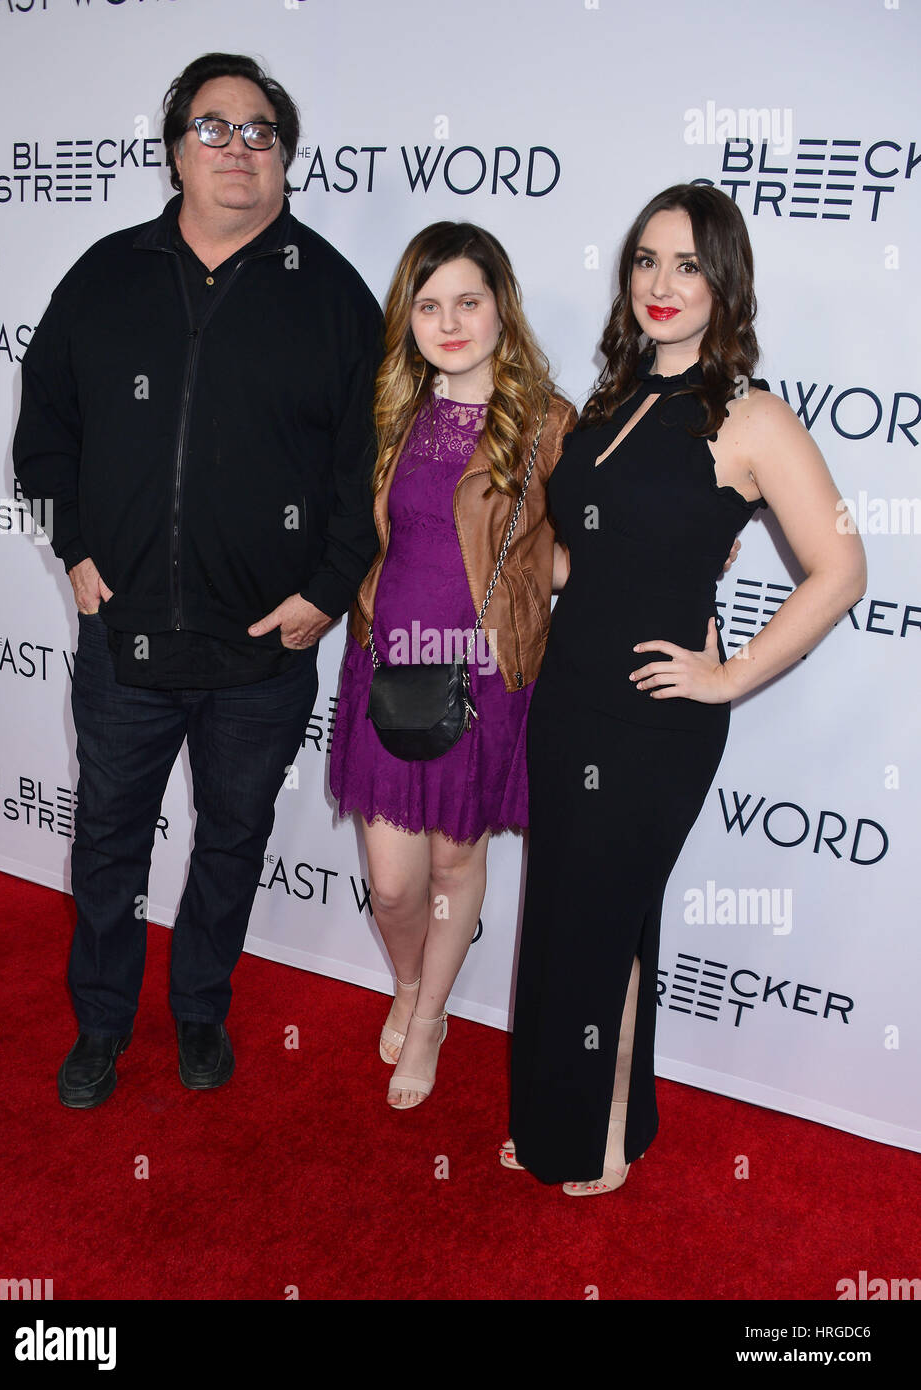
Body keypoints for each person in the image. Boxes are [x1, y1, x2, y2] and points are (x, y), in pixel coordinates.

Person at [13, 53, 384, 1109]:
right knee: (109, 847)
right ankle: (100, 1025)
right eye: (214, 128)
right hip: (125, 638)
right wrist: (75, 549)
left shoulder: (334, 297)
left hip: (264, 652)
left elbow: (370, 468)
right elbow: (46, 435)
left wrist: (327, 587)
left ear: (284, 157)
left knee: (232, 840)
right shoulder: (104, 276)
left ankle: (201, 1012)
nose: (237, 148)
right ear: (174, 149)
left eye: (259, 131)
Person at [503, 183, 867, 1194]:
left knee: (600, 918)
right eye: (645, 261)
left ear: (723, 284)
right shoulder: (614, 397)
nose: (661, 285)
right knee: (574, 914)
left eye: (687, 265)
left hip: (655, 714)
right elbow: (593, 560)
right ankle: (572, 1110)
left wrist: (729, 675)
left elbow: (840, 571)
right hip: (570, 688)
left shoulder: (747, 416)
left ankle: (596, 1130)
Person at [328, 221, 577, 1108]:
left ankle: (429, 1018)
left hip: (481, 678)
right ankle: (407, 979)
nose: (451, 321)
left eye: (469, 300)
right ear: (409, 318)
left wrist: (670, 556)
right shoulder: (388, 412)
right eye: (430, 305)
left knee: (452, 870)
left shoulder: (547, 422)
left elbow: (563, 554)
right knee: (393, 883)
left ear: (501, 306)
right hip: (386, 666)